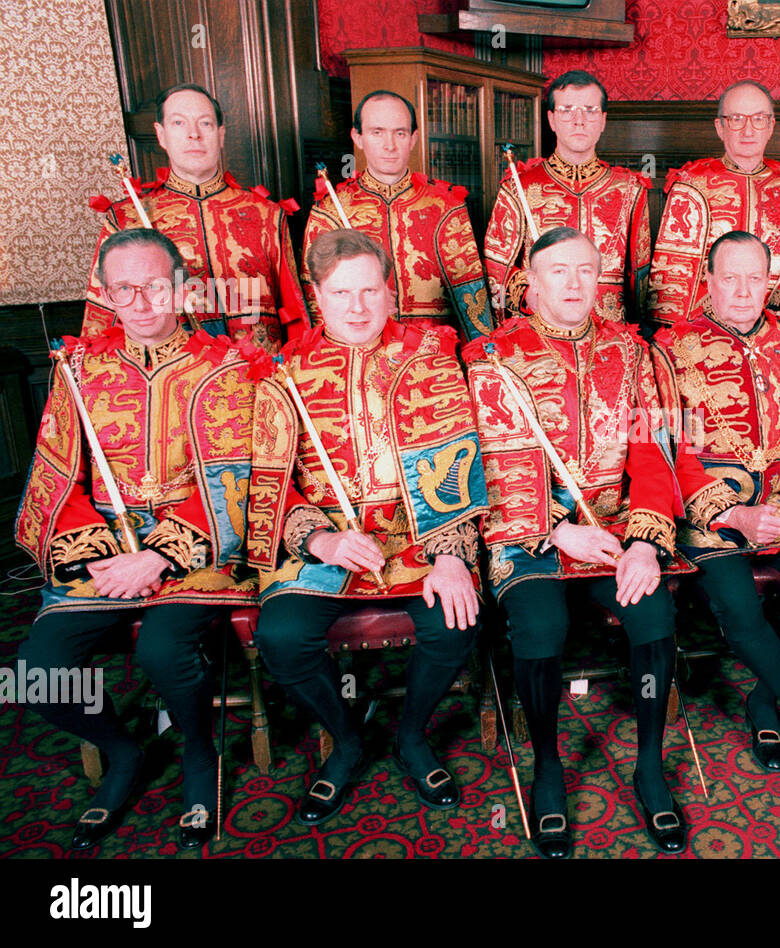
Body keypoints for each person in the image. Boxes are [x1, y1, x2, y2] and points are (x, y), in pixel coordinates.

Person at [16, 228, 257, 850]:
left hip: (202, 549)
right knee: (35, 671)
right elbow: (55, 473)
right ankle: (120, 751)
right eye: (126, 288)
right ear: (106, 294)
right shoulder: (78, 370)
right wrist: (106, 561)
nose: (143, 301)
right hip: (100, 551)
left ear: (182, 287)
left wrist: (158, 555)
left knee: (162, 652)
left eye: (155, 285)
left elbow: (236, 476)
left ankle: (200, 754)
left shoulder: (226, 365)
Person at [245, 229, 488, 825]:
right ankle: (347, 736)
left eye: (370, 291)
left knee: (457, 622)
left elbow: (462, 459)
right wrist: (319, 539)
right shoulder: (285, 370)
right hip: (324, 541)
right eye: (341, 292)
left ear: (391, 292)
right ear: (317, 296)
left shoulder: (430, 357)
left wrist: (452, 554)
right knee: (281, 638)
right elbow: (268, 481)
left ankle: (410, 734)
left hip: (418, 534)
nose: (357, 307)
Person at [464, 227, 689, 858]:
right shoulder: (492, 356)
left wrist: (645, 542)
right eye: (557, 272)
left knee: (654, 612)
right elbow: (486, 465)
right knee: (540, 626)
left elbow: (652, 451)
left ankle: (649, 765)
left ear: (602, 281)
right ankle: (548, 764)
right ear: (529, 285)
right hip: (527, 529)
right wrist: (557, 530)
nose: (572, 284)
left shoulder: (632, 351)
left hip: (616, 526)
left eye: (585, 271)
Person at [651, 230, 780, 791]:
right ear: (707, 281)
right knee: (738, 602)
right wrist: (734, 515)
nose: (742, 290)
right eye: (729, 277)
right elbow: (671, 450)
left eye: (754, 278)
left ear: (770, 282)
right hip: (708, 517)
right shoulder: (670, 348)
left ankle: (765, 701)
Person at [84, 84, 308, 351]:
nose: (194, 134)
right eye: (179, 123)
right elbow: (102, 316)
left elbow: (296, 313)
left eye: (205, 124)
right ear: (161, 134)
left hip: (259, 376)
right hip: (174, 377)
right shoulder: (126, 217)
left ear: (220, 134)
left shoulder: (266, 214)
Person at [301, 90, 491, 340]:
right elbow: (316, 305)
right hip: (359, 352)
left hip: (434, 354)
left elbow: (471, 296)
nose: (389, 145)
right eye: (377, 132)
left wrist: (483, 358)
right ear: (357, 137)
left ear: (413, 139)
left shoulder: (446, 206)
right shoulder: (330, 211)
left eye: (399, 133)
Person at [483, 71, 652, 327]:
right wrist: (527, 295)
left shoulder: (629, 188)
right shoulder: (521, 186)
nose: (579, 121)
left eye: (590, 110)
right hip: (540, 325)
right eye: (566, 110)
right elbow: (496, 266)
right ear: (551, 119)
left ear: (603, 119)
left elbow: (640, 276)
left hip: (608, 330)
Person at [648, 80, 780, 327]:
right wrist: (727, 318)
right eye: (736, 119)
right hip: (705, 328)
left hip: (778, 325)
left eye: (758, 119)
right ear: (720, 127)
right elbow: (674, 276)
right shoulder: (691, 185)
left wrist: (774, 314)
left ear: (771, 126)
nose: (748, 130)